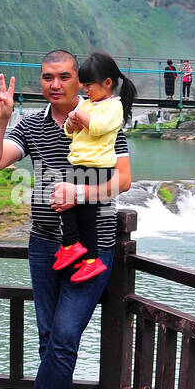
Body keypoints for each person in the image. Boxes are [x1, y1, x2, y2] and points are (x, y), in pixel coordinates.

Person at [0, 51, 132, 389]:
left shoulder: (101, 118)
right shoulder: (31, 125)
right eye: (48, 77)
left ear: (80, 81)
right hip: (45, 245)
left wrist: (79, 194)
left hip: (94, 247)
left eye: (65, 77)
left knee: (63, 336)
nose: (56, 84)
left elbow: (123, 179)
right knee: (50, 340)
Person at [55, 53, 137, 283]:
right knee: (76, 210)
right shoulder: (88, 104)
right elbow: (70, 133)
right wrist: (71, 123)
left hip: (97, 167)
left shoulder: (113, 107)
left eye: (89, 84)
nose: (85, 89)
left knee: (80, 211)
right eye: (83, 84)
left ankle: (77, 249)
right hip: (80, 163)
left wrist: (80, 114)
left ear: (107, 83)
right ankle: (85, 256)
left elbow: (99, 127)